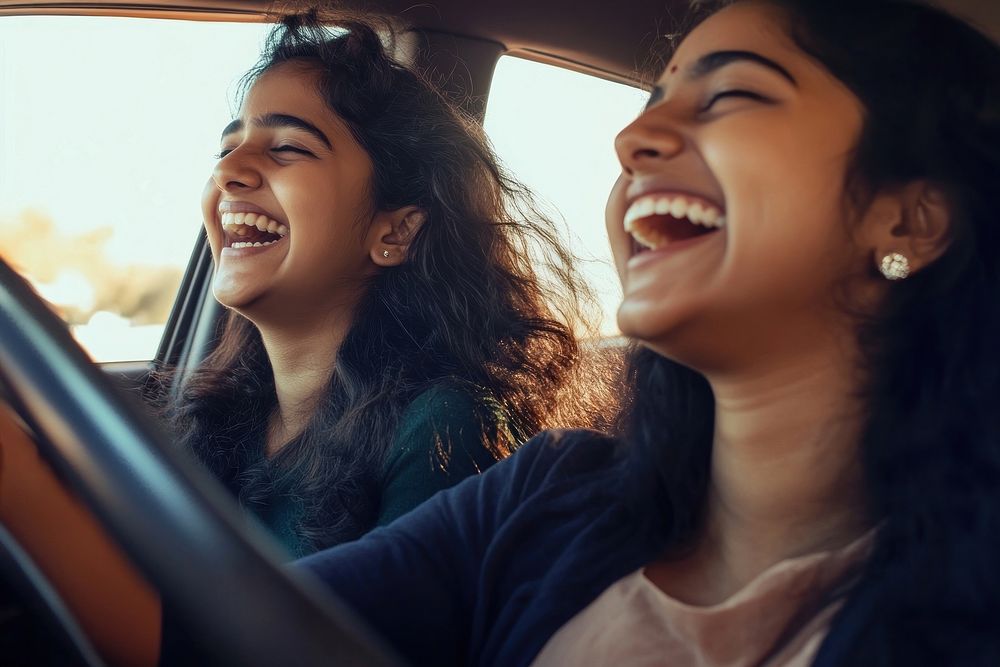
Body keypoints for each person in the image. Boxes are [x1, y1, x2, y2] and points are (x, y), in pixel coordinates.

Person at [291, 0, 1000, 664]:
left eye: (730, 97)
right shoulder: (544, 496)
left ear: (909, 220)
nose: (632, 138)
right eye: (651, 104)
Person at [149, 10, 603, 558]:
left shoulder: (444, 426)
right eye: (226, 150)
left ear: (396, 229)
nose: (228, 171)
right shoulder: (225, 415)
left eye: (289, 147)